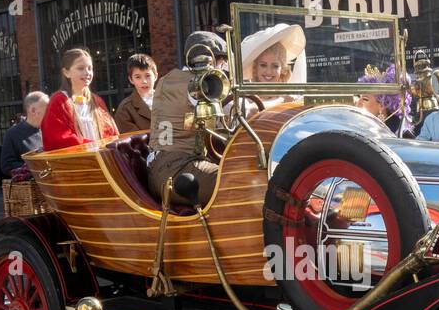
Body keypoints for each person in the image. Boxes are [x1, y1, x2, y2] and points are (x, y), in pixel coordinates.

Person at [146, 31, 229, 208]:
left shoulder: (171, 80)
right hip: (172, 168)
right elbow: (194, 94)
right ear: (211, 60)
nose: (223, 69)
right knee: (237, 182)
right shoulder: (193, 84)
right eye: (222, 63)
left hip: (180, 163)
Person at [41, 47, 119, 151]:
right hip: (77, 163)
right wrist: (93, 147)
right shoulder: (59, 101)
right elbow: (58, 139)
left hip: (102, 158)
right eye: (81, 68)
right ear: (66, 72)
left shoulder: (97, 101)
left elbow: (112, 132)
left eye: (90, 68)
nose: (87, 73)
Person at [240, 23, 306, 104]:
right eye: (263, 65)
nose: (269, 72)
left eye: (275, 66)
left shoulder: (291, 97)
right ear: (255, 67)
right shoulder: (245, 98)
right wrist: (281, 101)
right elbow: (250, 111)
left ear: (283, 69)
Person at [355, 64, 413, 136]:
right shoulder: (362, 129)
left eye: (365, 99)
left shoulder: (401, 135)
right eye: (359, 97)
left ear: (382, 105)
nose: (358, 103)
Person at [0, 91, 48, 177]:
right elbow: (6, 165)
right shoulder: (13, 133)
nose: (50, 112)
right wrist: (34, 167)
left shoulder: (49, 130)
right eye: (47, 109)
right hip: (31, 187)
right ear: (33, 110)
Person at [114, 53, 157, 134]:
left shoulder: (169, 100)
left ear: (155, 76)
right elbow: (134, 142)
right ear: (131, 79)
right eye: (138, 77)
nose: (144, 81)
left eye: (148, 76)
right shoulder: (125, 109)